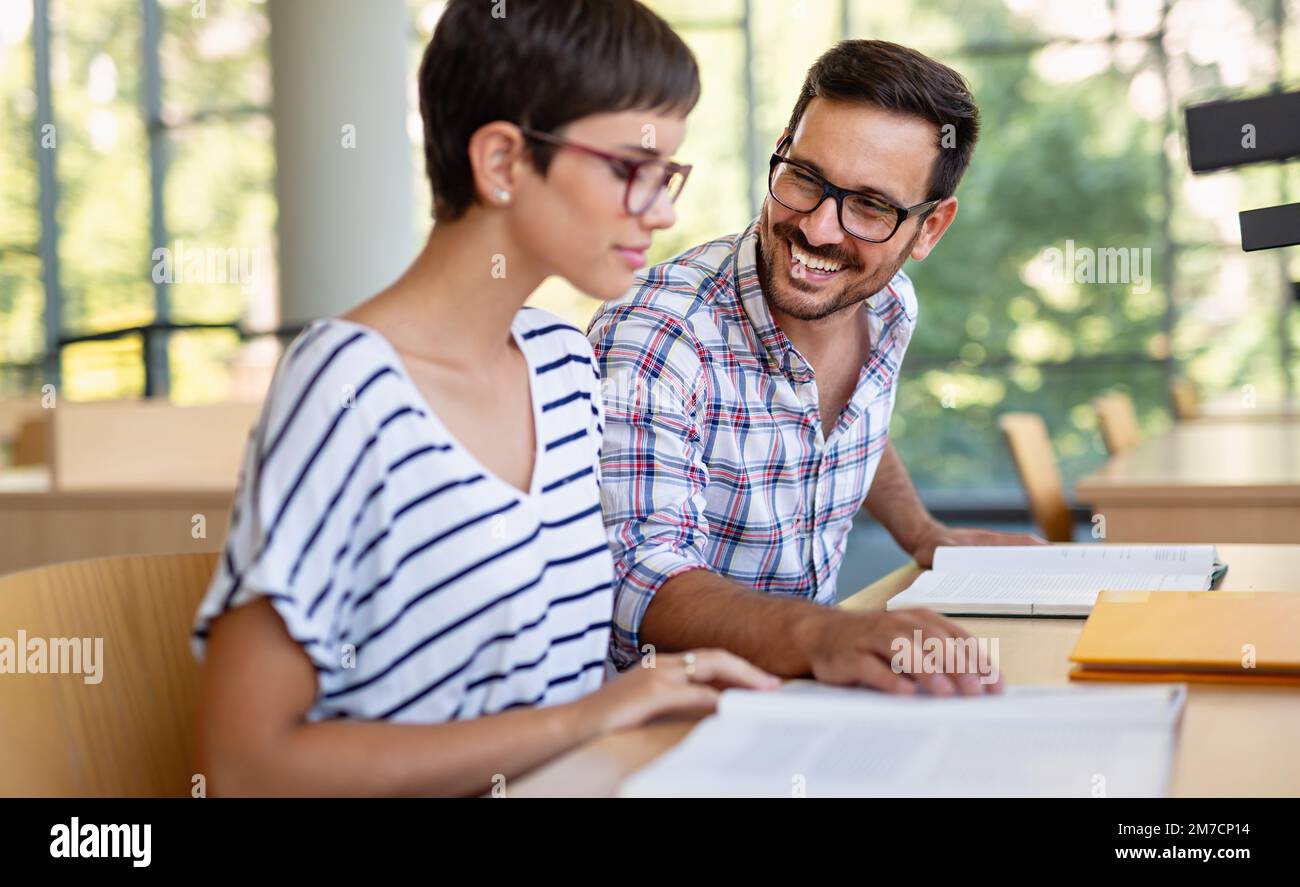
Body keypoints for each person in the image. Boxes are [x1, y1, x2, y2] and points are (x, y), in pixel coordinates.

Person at [193, 0, 776, 798]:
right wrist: (594, 715)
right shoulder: (346, 388)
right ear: (501, 161)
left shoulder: (564, 363)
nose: (664, 211)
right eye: (629, 169)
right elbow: (246, 769)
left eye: (667, 173)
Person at [589, 40, 1043, 696]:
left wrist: (924, 532)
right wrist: (825, 633)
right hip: (669, 728)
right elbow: (640, 580)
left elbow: (849, 426)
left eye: (870, 206)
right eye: (805, 177)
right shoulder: (663, 330)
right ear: (781, 147)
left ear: (929, 228)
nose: (820, 228)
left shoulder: (889, 307)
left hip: (814, 699)